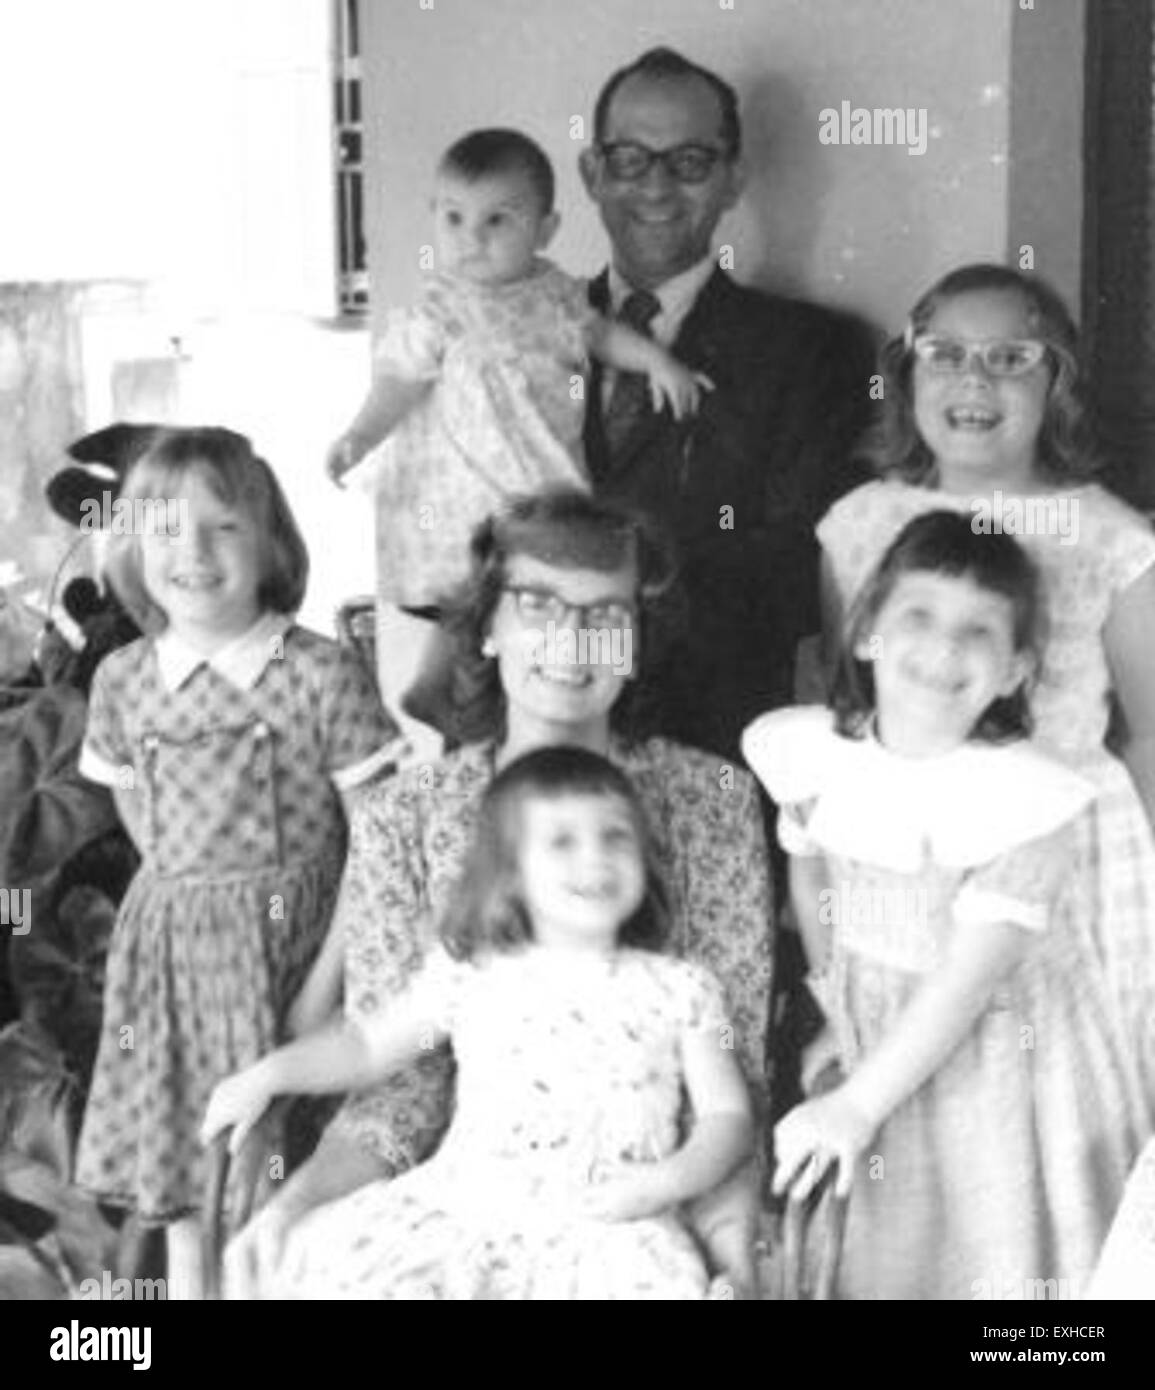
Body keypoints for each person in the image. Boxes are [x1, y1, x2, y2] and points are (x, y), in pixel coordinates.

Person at [221, 489, 775, 1299]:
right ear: (486, 626)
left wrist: (723, 1235)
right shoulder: (406, 817)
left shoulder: (711, 798)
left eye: (604, 614)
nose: (571, 640)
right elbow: (395, 1069)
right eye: (537, 605)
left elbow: (732, 1073)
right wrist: (299, 1204)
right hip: (462, 1197)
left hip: (629, 1200)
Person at [743, 512, 1147, 1299]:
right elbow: (812, 883)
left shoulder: (1023, 802)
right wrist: (834, 1007)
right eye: (917, 616)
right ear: (865, 635)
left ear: (1014, 670)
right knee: (891, 1245)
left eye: (978, 632)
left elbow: (966, 981)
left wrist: (859, 1103)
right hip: (876, 1029)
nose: (943, 648)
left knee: (996, 1244)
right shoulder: (815, 757)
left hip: (1002, 1053)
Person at [204, 745, 754, 1300]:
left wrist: (669, 1181)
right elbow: (366, 1049)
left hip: (609, 1223)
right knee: (346, 1272)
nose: (595, 859)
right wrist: (268, 1074)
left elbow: (727, 1117)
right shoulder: (472, 976)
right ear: (511, 873)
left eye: (616, 837)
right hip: (468, 1206)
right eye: (562, 842)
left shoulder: (681, 989)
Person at [817, 263, 1155, 1109]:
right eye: (946, 354)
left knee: (1041, 1093)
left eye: (1012, 358)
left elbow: (1147, 733)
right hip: (902, 849)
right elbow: (844, 705)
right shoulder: (859, 521)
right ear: (906, 373)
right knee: (905, 1076)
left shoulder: (1111, 535)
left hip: (1057, 856)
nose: (974, 379)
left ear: (1057, 385)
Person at [74, 427, 400, 1297]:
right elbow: (135, 805)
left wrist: (322, 985)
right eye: (166, 528)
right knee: (191, 1196)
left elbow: (379, 840)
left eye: (223, 526)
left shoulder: (321, 675)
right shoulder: (121, 680)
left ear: (271, 545)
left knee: (282, 1198)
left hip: (303, 962)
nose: (193, 551)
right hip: (172, 976)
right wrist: (192, 902)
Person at [325, 128, 710, 760]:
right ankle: (444, 702)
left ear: (546, 227)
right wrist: (359, 435)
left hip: (539, 473)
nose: (471, 239)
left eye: (497, 220)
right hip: (463, 490)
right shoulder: (440, 307)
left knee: (539, 594)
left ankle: (482, 713)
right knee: (474, 598)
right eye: (454, 219)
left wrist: (659, 364)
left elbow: (604, 337)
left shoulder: (557, 294)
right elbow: (397, 380)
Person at [579, 46, 876, 761]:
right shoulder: (513, 329)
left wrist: (617, 625)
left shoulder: (812, 351)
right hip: (533, 734)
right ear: (592, 174)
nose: (655, 186)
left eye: (689, 161)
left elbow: (801, 569)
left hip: (713, 738)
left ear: (732, 180)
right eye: (628, 159)